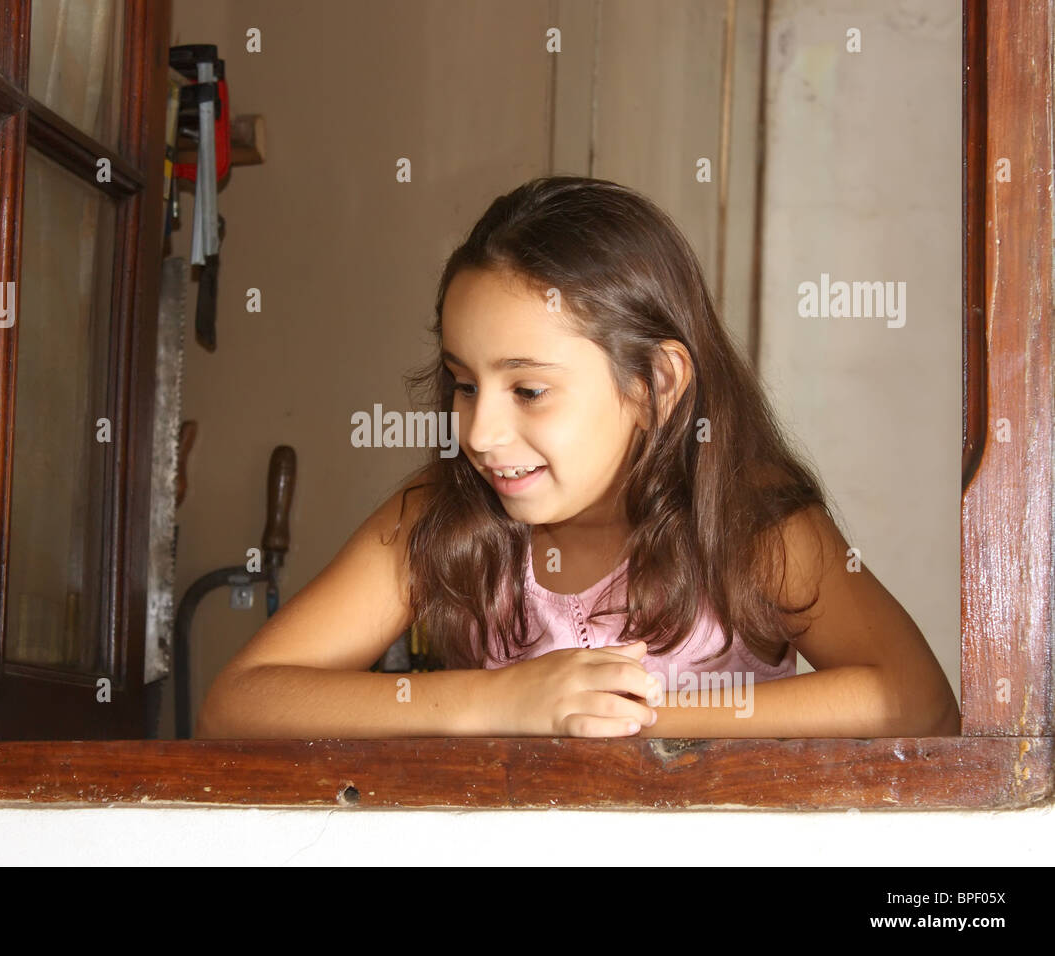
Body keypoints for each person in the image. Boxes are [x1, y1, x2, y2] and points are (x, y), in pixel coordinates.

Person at [195, 176, 959, 740]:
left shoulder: (753, 523)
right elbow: (238, 706)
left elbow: (918, 703)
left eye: (529, 390)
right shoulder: (439, 513)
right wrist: (504, 702)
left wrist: (630, 712)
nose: (482, 433)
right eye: (464, 384)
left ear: (655, 384)